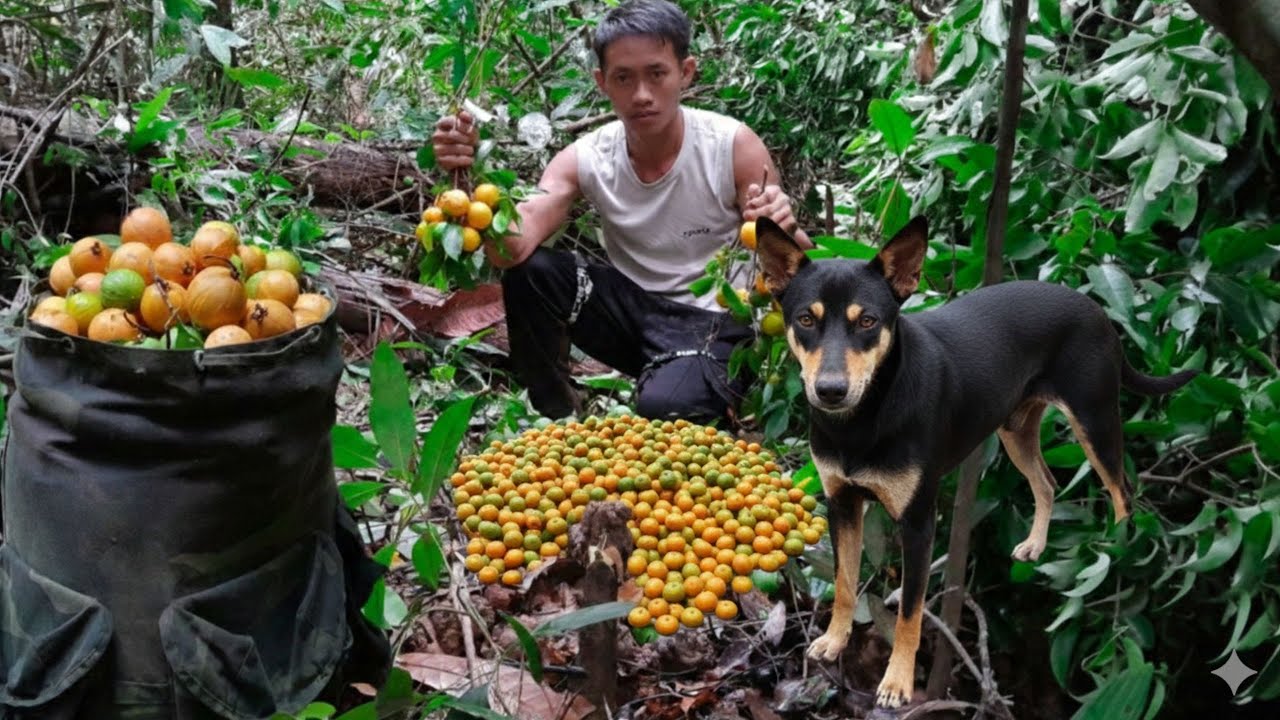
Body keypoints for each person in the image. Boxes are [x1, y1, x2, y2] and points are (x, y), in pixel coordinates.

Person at [433, 0, 811, 423]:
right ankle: (557, 415)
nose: (642, 95)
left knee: (668, 409)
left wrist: (783, 225)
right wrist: (470, 182)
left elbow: (797, 261)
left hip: (717, 321)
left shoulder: (731, 146)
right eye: (624, 78)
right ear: (602, 82)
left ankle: (689, 386)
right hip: (633, 317)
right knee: (532, 273)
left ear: (685, 72)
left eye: (657, 74)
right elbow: (512, 251)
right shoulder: (586, 158)